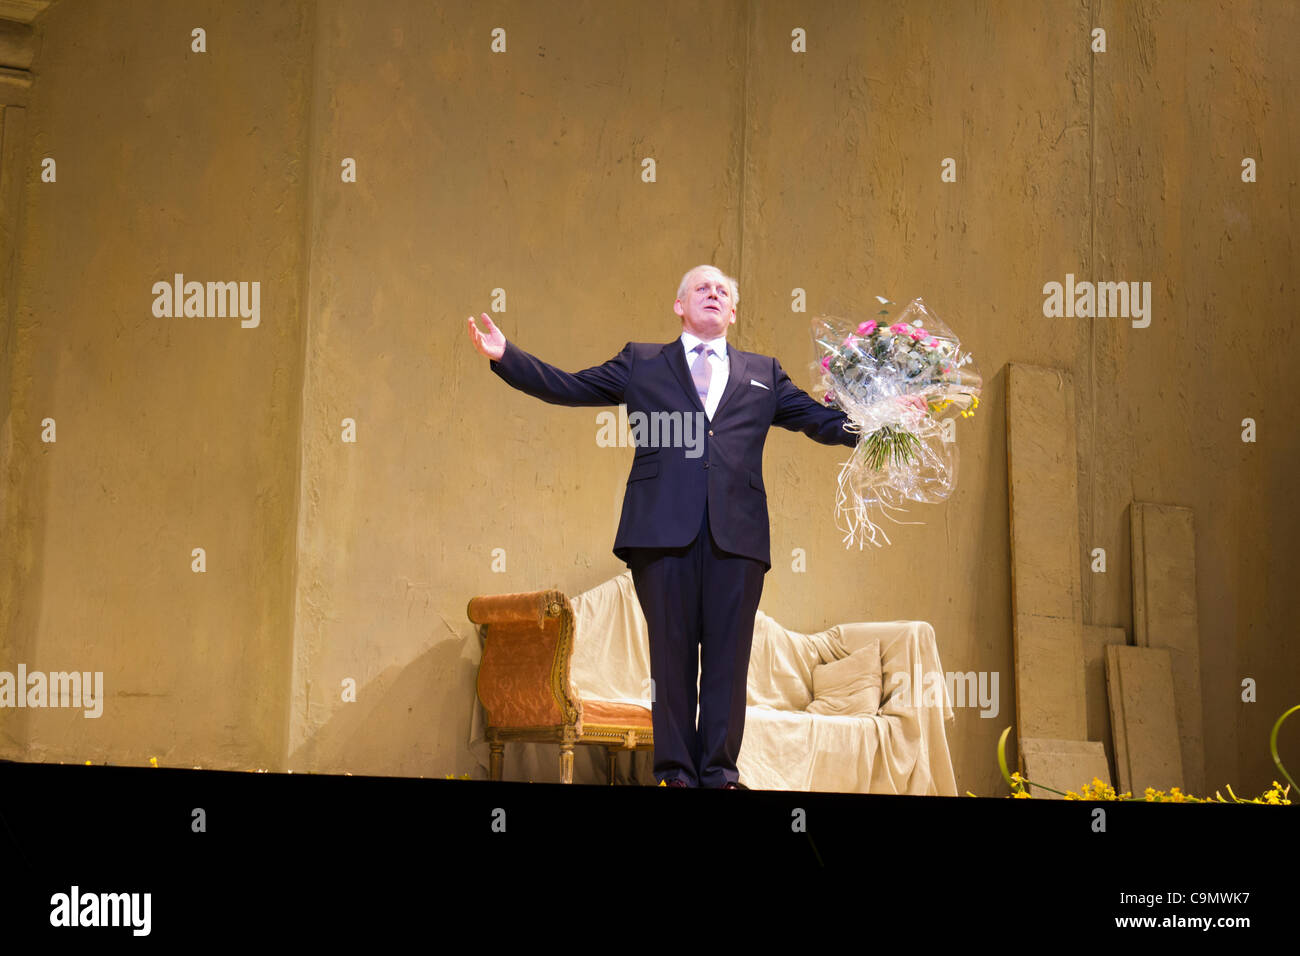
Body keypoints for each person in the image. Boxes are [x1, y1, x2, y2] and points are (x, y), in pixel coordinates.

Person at [467, 264, 860, 788]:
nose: (713, 293)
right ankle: (675, 775)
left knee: (728, 663)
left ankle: (719, 774)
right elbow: (571, 386)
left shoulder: (764, 372)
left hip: (737, 537)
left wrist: (885, 417)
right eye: (702, 287)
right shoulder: (643, 361)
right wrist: (507, 357)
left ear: (733, 311)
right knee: (670, 661)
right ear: (680, 305)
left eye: (722, 291)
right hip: (660, 532)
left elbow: (822, 421)